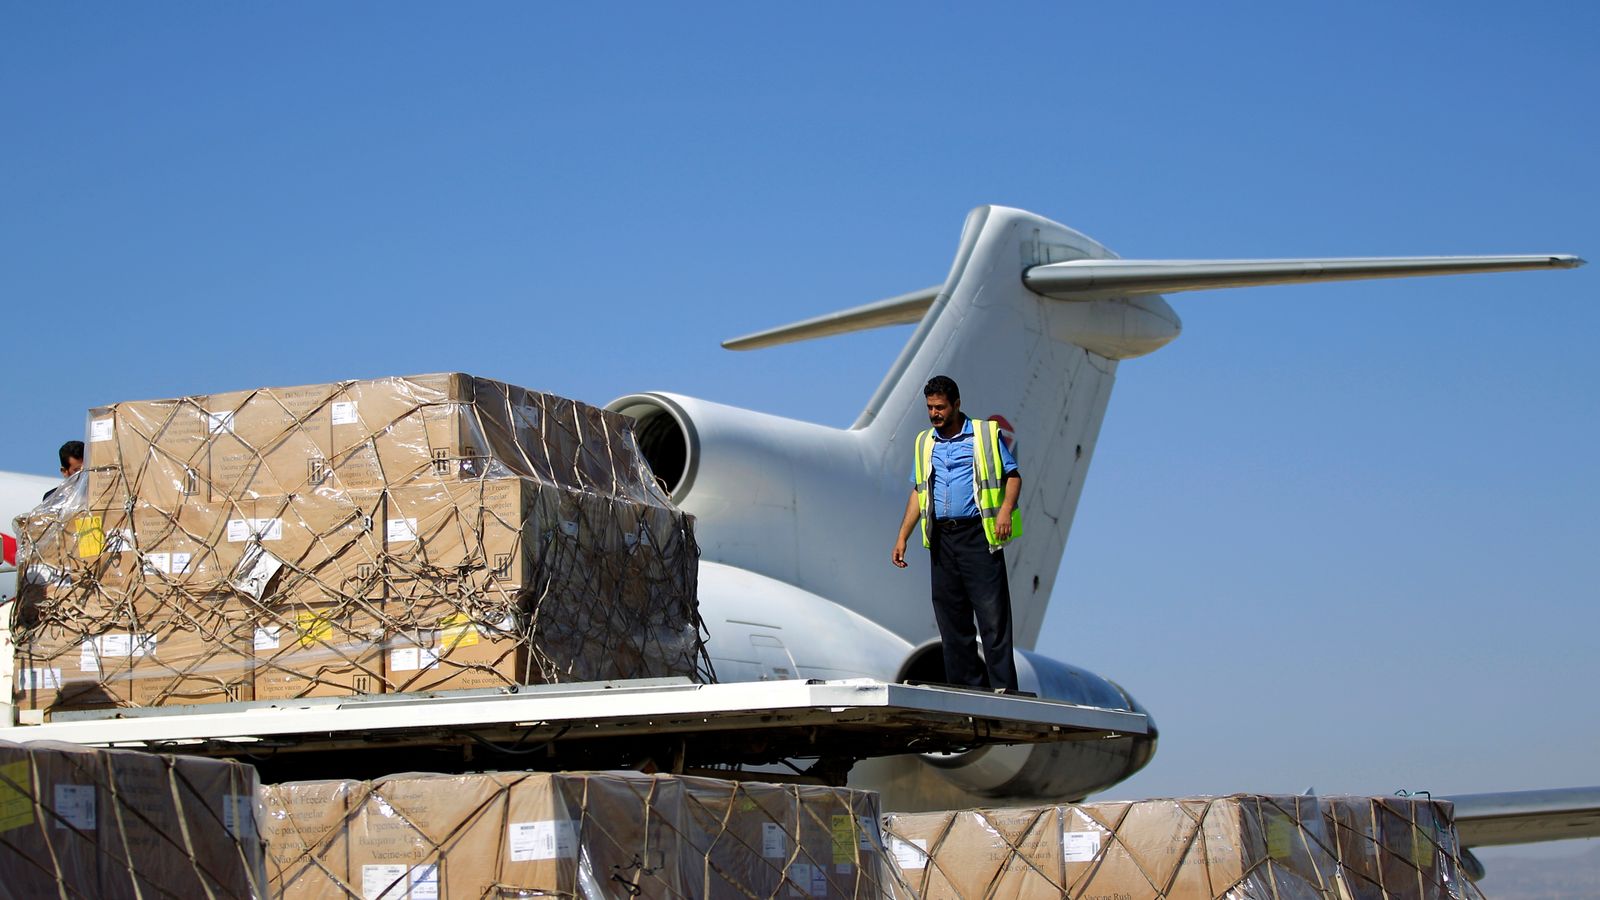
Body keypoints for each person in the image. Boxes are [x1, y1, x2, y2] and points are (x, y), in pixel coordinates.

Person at [892, 375, 1023, 693]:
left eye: (940, 407)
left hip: (978, 535)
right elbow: (919, 492)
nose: (934, 413)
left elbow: (1013, 476)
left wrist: (1005, 511)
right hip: (943, 539)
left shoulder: (982, 435)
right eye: (930, 408)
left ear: (956, 405)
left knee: (992, 616)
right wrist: (902, 537)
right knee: (951, 619)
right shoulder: (925, 442)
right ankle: (967, 689)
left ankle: (1004, 688)